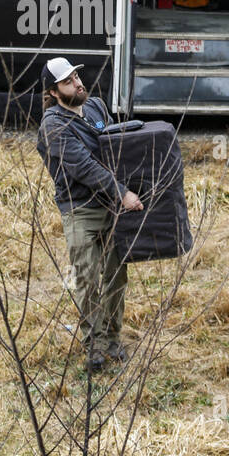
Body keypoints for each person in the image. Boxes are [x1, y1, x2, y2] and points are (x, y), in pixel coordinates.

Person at [35, 57, 143, 371]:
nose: (77, 83)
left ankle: (112, 339)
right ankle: (93, 345)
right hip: (80, 210)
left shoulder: (95, 106)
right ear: (54, 92)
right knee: (86, 277)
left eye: (76, 77)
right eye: (67, 81)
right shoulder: (53, 124)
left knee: (116, 275)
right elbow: (84, 167)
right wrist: (122, 192)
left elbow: (114, 150)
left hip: (110, 207)